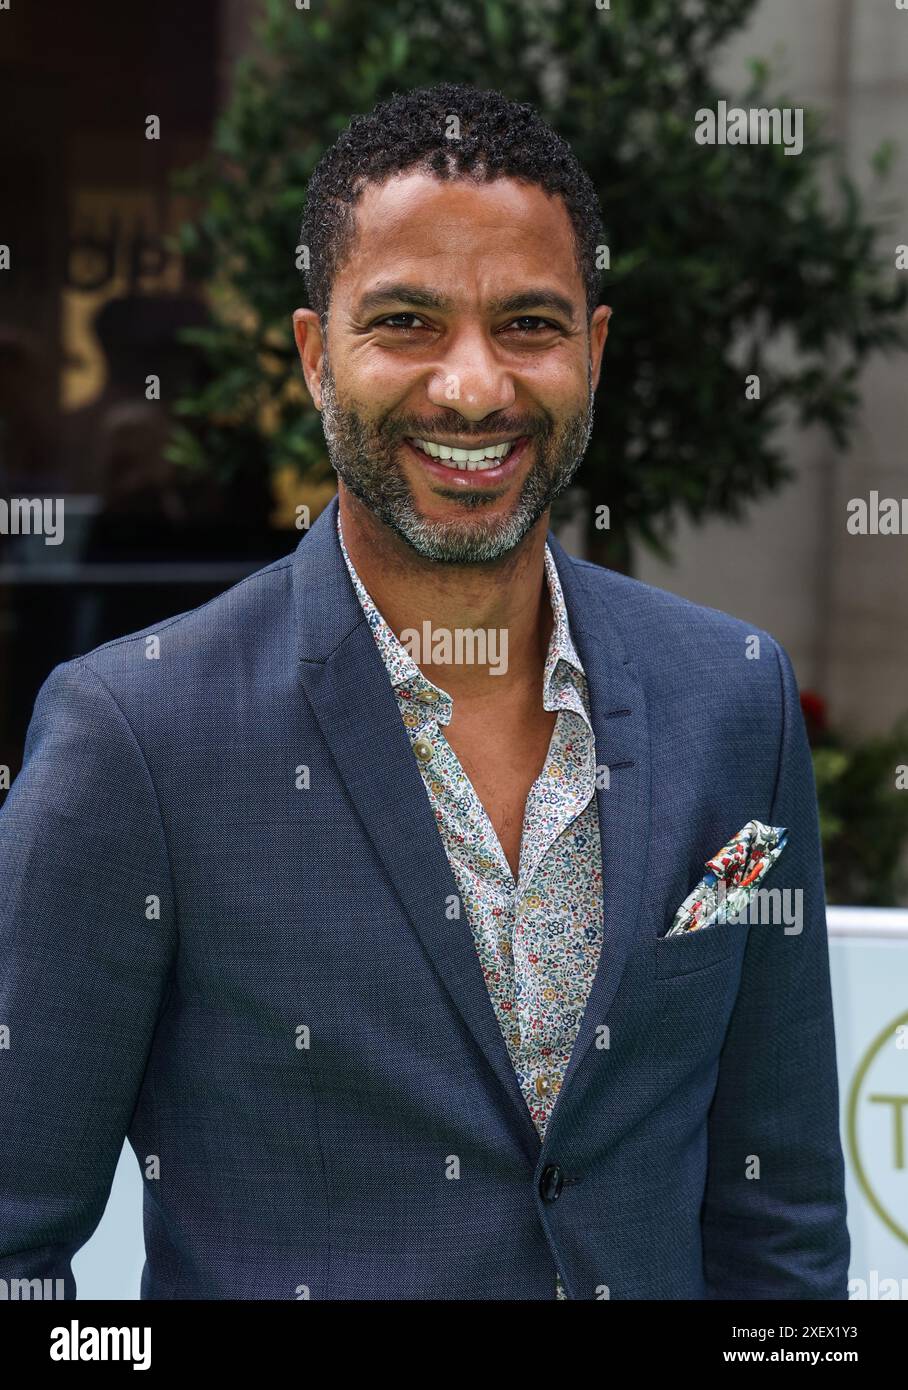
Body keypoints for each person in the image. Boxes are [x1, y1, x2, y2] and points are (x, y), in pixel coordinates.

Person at [0, 83, 849, 1300]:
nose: (471, 387)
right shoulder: (134, 735)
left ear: (592, 353)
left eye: (527, 325)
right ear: (313, 354)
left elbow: (781, 1225)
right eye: (405, 321)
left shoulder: (733, 696)